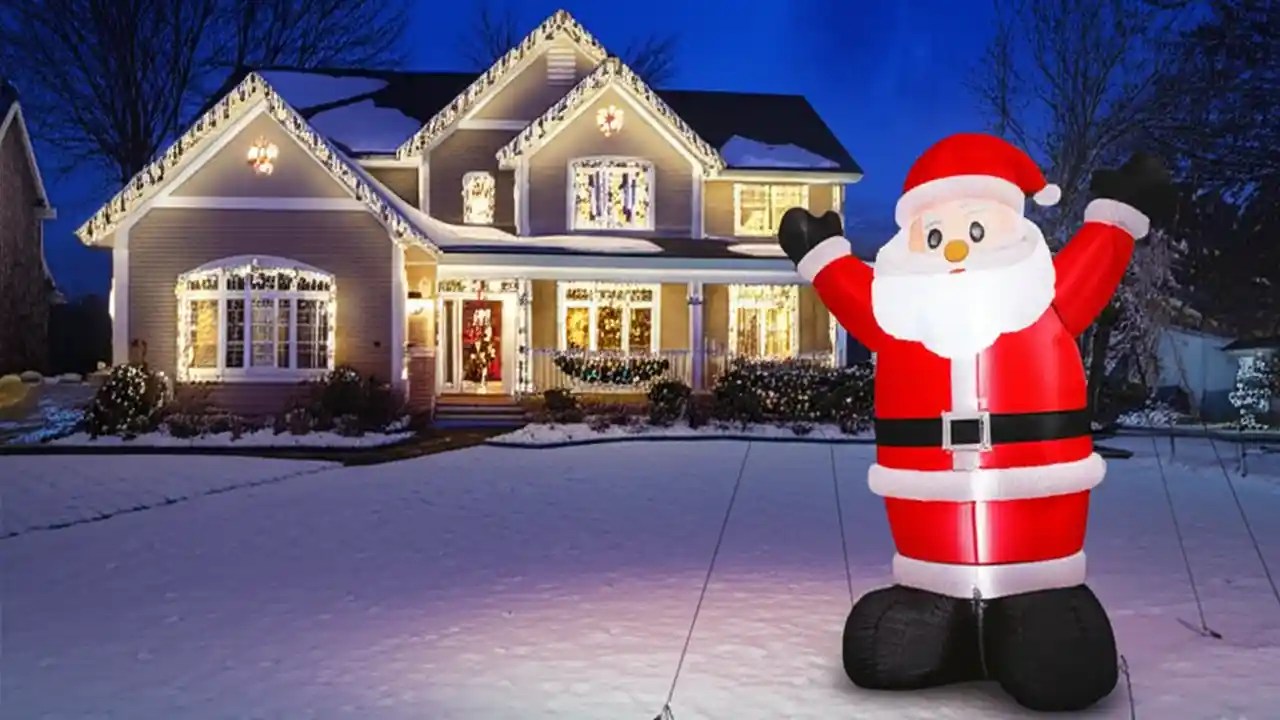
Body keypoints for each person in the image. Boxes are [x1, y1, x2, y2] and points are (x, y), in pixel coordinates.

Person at [776, 133, 1175, 712]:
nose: (957, 250)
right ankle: (936, 612)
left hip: (1036, 529)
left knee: (1057, 653)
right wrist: (823, 255)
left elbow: (1098, 254)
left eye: (978, 231)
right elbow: (853, 293)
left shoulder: (1044, 300)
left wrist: (1119, 211)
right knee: (888, 640)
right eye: (936, 237)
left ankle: (1035, 610)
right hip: (929, 540)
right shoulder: (899, 314)